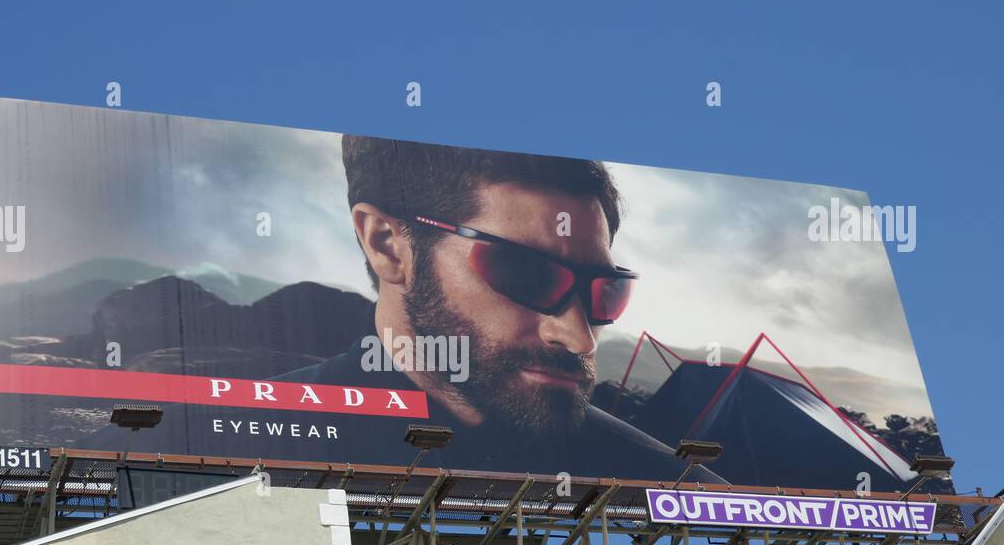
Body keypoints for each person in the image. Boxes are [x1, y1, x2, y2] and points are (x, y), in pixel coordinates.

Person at [274, 136, 723, 483]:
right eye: (525, 274)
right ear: (386, 245)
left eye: (606, 291)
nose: (578, 337)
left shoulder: (666, 487)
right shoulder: (247, 450)